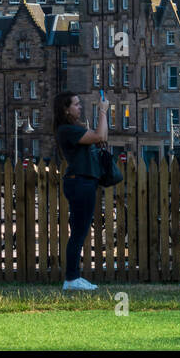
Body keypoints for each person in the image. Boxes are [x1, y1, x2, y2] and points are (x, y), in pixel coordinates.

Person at [53, 89, 108, 291]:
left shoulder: (74, 128)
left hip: (84, 182)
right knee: (78, 232)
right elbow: (98, 136)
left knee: (80, 231)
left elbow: (103, 137)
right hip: (80, 183)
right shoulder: (66, 130)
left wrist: (104, 114)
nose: (80, 106)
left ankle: (73, 277)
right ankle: (71, 278)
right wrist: (102, 111)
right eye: (76, 104)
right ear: (66, 110)